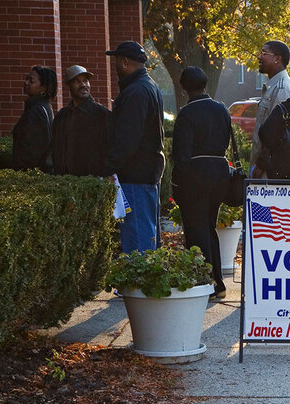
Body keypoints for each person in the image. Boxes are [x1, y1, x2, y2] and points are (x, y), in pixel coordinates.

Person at [171, 67, 232, 300]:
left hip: (196, 174)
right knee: (209, 227)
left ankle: (205, 282)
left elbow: (181, 154)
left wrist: (177, 183)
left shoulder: (187, 113)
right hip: (219, 172)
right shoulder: (221, 109)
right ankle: (218, 280)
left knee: (196, 229)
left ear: (184, 88)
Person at [104, 41, 165, 254]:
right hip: (146, 172)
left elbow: (128, 138)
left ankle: (140, 286)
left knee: (138, 241)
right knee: (147, 235)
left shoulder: (136, 92)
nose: (114, 66)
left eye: (116, 61)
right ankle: (146, 282)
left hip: (135, 174)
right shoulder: (149, 86)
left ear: (125, 62)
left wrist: (109, 166)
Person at [52, 65, 110, 177]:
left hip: (93, 183)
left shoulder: (102, 114)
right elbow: (55, 149)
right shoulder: (61, 116)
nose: (83, 85)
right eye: (77, 81)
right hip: (65, 182)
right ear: (69, 85)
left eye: (85, 81)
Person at [250, 40, 290, 178]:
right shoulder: (271, 87)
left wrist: (261, 165)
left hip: (269, 171)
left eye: (264, 53)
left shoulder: (282, 88)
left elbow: (277, 131)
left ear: (277, 59)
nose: (259, 57)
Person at [11, 65, 56, 172]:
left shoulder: (37, 110)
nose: (26, 82)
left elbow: (34, 148)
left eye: (31, 81)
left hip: (31, 173)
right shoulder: (39, 106)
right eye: (27, 78)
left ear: (44, 87)